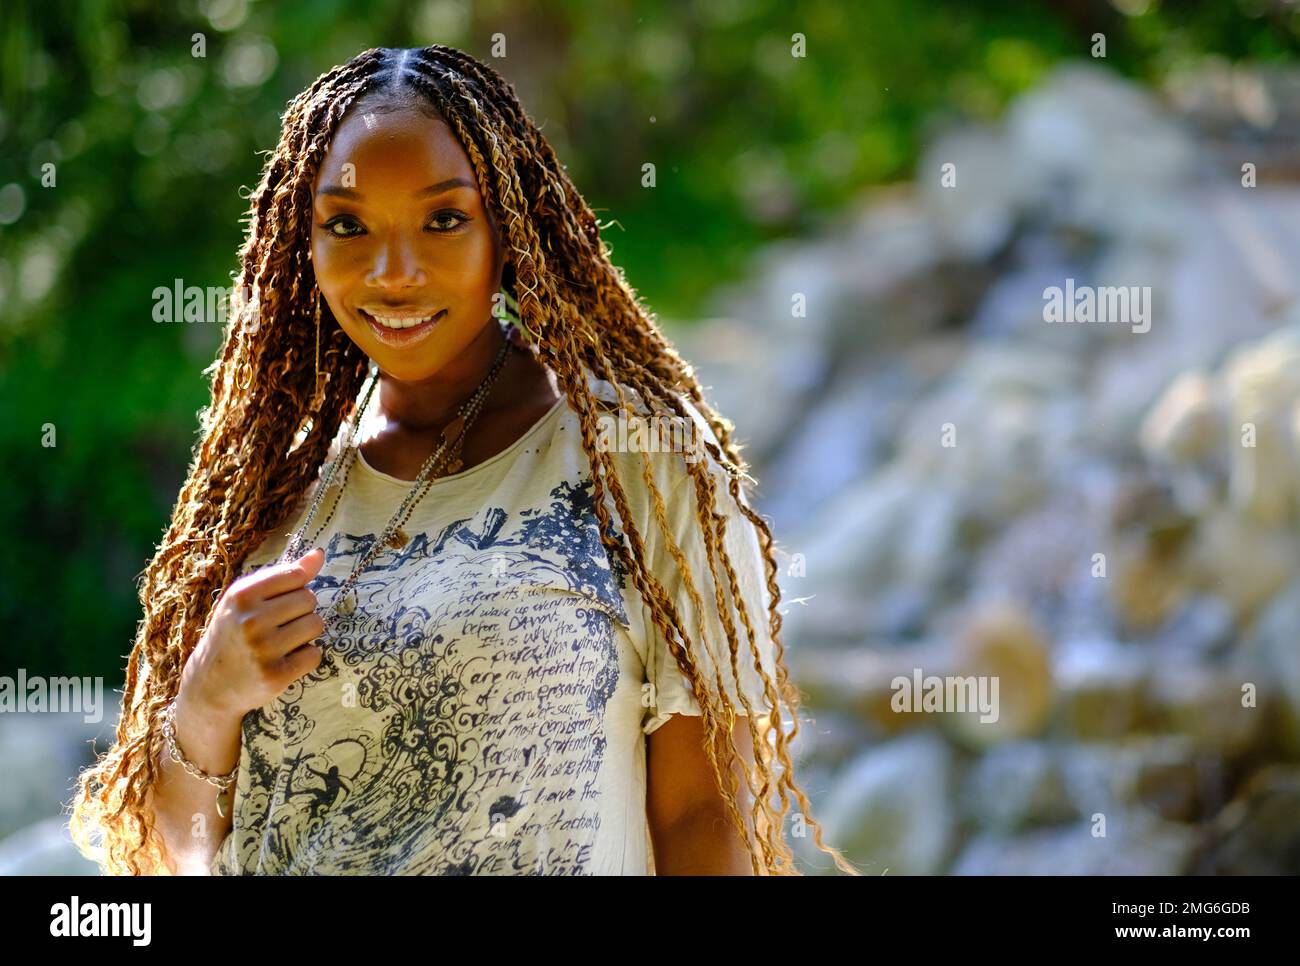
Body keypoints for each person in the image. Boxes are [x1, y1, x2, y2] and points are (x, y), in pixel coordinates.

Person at [68, 44, 857, 876]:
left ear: (508, 231)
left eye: (443, 219)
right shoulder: (272, 493)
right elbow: (171, 857)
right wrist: (206, 700)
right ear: (303, 246)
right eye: (347, 225)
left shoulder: (639, 464)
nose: (394, 273)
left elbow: (707, 820)